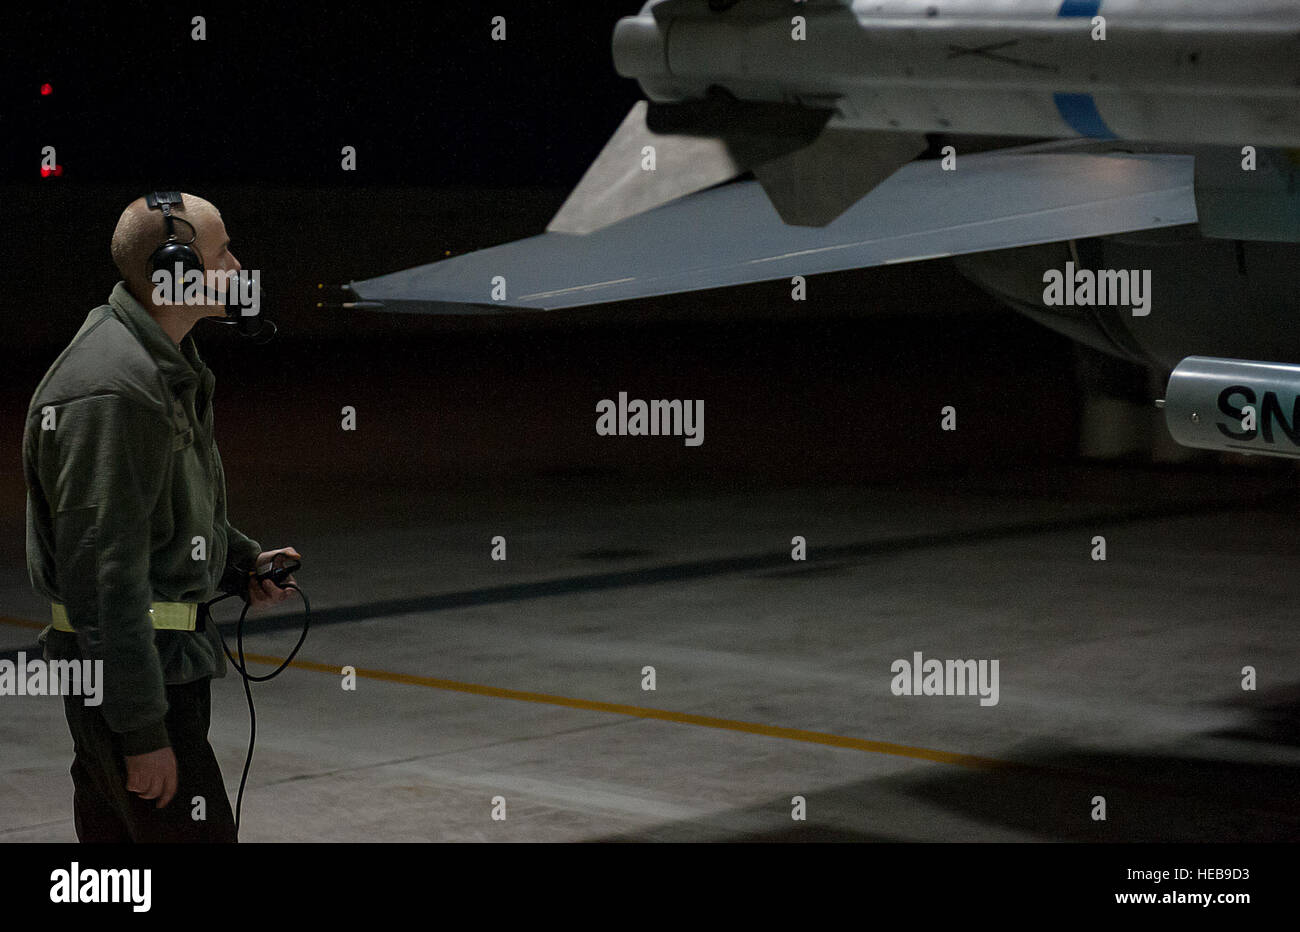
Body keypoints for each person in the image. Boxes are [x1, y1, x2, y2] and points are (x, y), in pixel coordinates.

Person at [23, 192, 299, 842]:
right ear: (176, 268)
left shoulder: (157, 368)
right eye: (222, 251)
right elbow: (105, 583)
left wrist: (239, 564)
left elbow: (163, 515)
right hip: (132, 682)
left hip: (157, 670)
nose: (238, 265)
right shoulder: (114, 391)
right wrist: (141, 732)